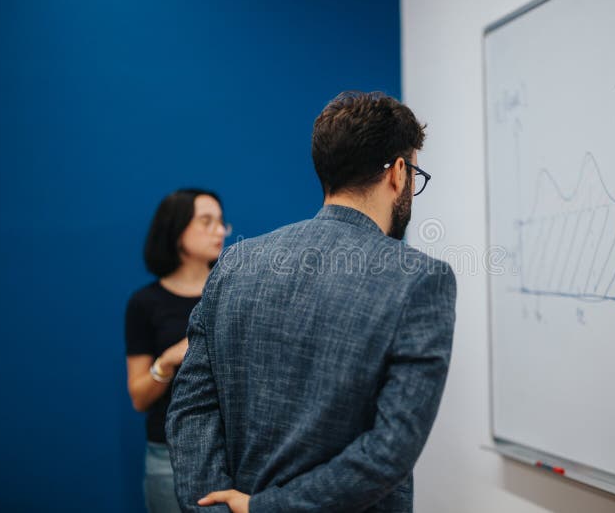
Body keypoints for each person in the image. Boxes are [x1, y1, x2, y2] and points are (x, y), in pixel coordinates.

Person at [166, 91, 457, 513]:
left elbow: (190, 408)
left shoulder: (235, 263)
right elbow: (390, 448)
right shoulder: (422, 280)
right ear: (398, 172)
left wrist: (215, 507)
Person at [124, 188, 230, 513]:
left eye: (221, 221)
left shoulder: (235, 290)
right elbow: (139, 397)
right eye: (206, 221)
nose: (220, 230)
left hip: (234, 449)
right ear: (176, 230)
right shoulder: (145, 304)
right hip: (169, 456)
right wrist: (168, 361)